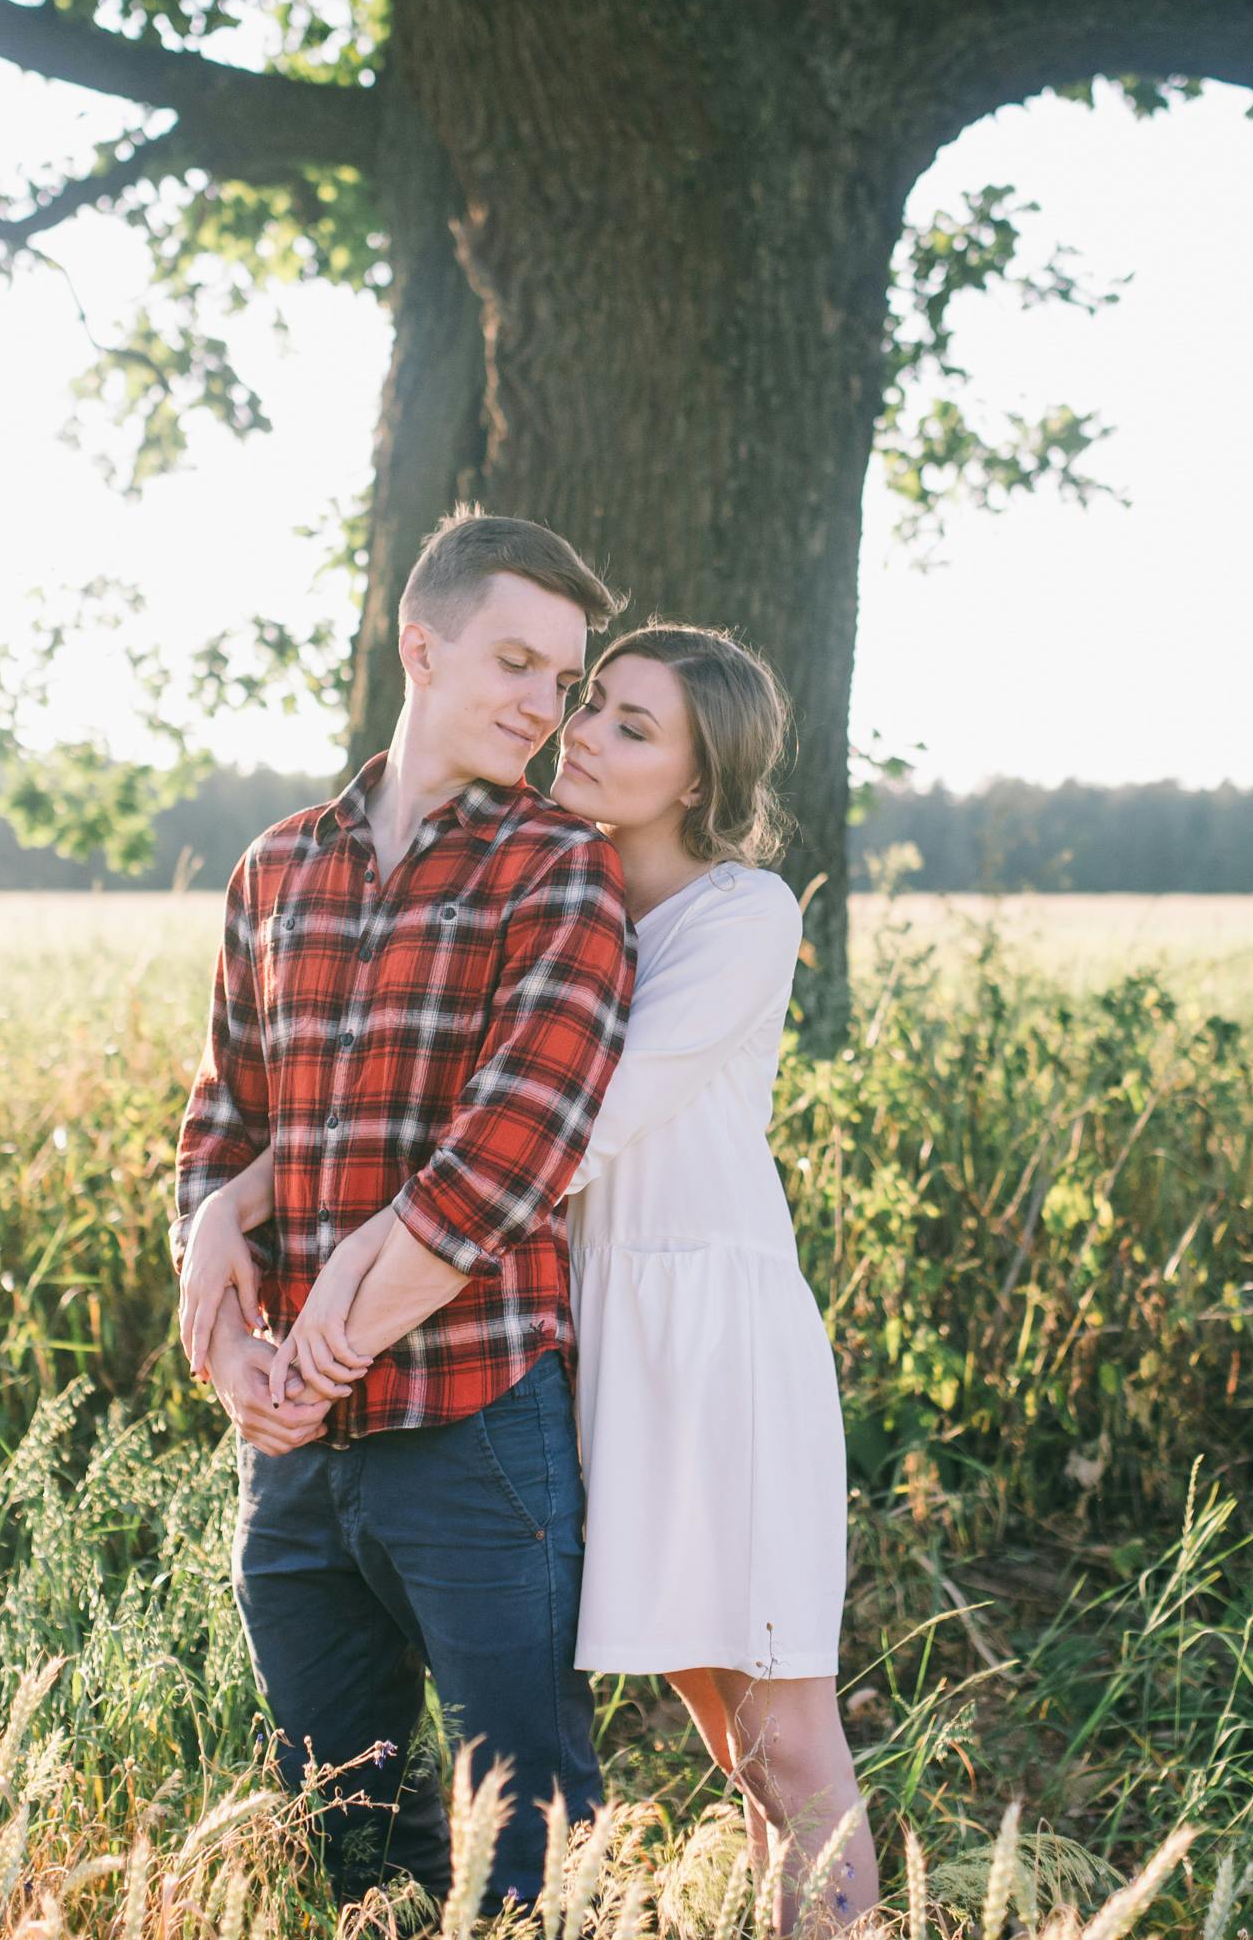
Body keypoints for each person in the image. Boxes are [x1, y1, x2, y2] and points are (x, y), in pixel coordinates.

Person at [188, 623, 874, 1930]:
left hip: (707, 1336)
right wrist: (243, 1190)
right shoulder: (561, 891)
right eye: (589, 703)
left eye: (632, 725)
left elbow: (560, 1118)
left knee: (787, 1737)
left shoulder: (744, 915)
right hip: (584, 1340)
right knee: (729, 1744)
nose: (583, 735)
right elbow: (433, 1104)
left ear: (698, 776)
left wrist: (297, 1233)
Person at [171, 509, 633, 1909]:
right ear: (416, 645)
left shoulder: (560, 870)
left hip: (477, 1428)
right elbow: (224, 1126)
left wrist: (315, 1357)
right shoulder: (276, 868)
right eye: (512, 662)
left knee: (527, 1841)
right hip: (292, 1463)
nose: (539, 708)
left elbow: (508, 1156)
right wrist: (233, 1351)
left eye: (561, 682)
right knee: (346, 1844)